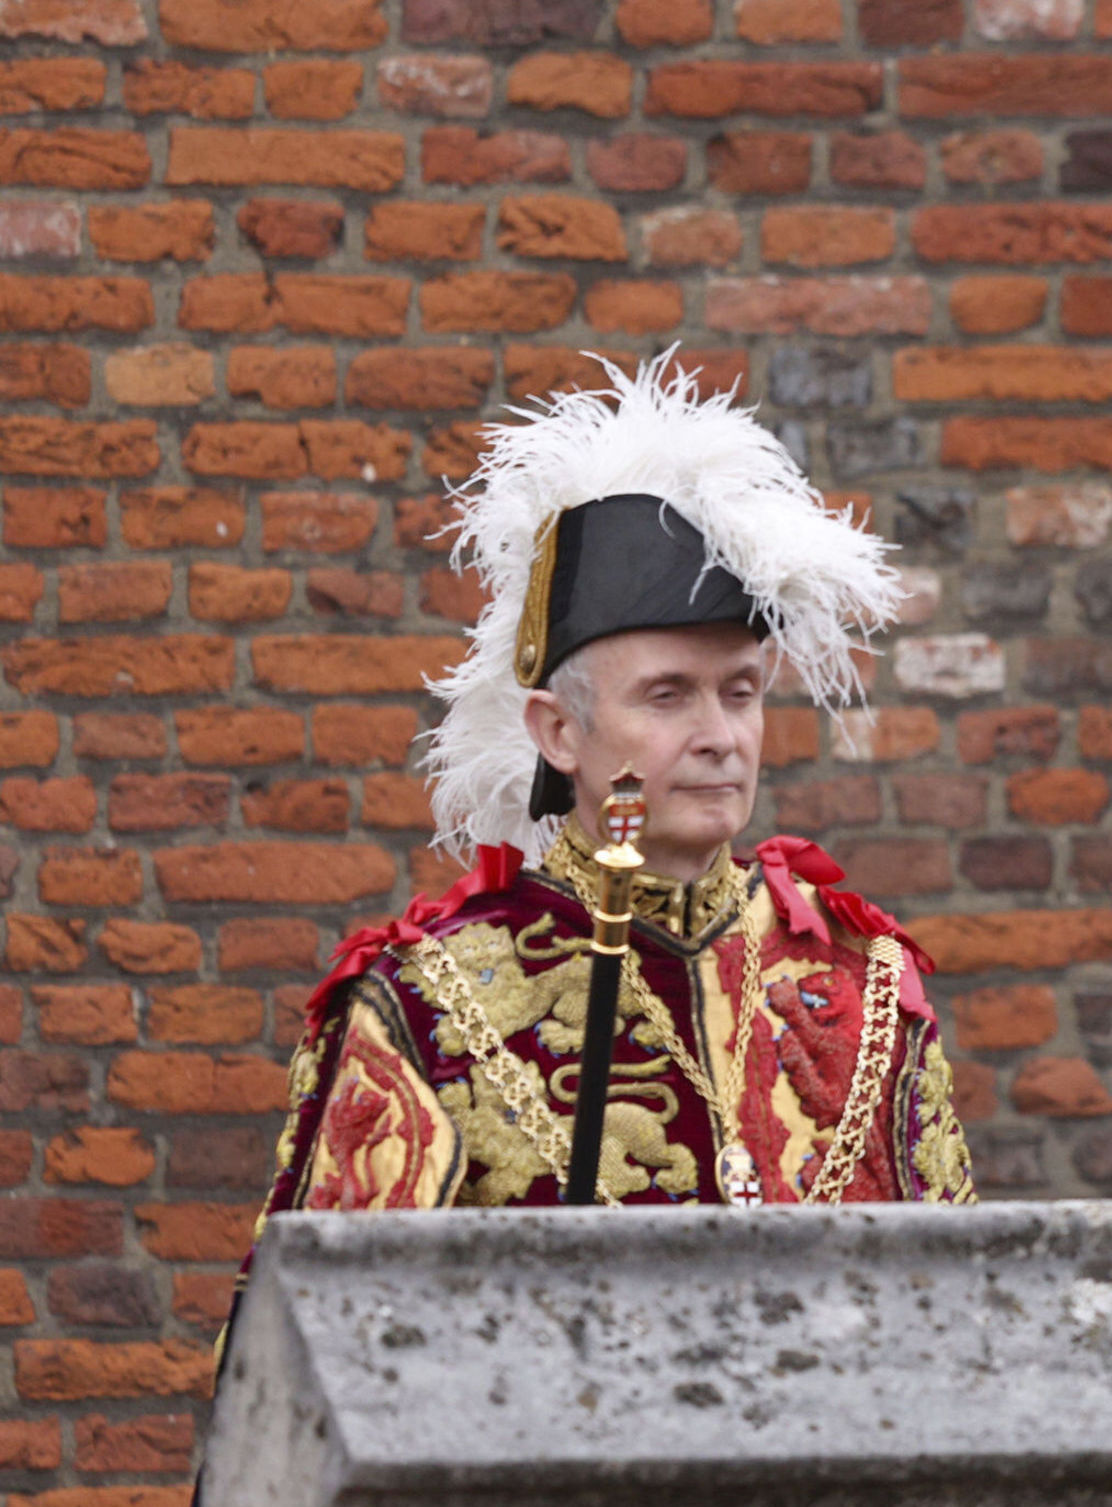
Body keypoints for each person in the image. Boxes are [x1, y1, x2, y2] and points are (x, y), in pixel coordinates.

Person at [253, 354, 972, 1219]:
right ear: (560, 733)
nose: (719, 737)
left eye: (740, 692)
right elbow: (334, 1334)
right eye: (668, 696)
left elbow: (964, 1314)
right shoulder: (425, 1004)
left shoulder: (868, 985)